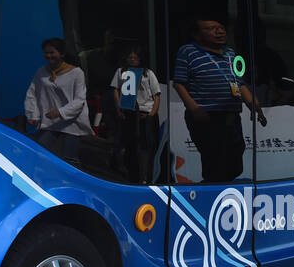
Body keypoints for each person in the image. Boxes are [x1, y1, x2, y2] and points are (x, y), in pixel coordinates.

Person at [173, 14, 267, 183]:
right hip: (206, 115)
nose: (219, 31)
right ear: (196, 34)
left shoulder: (230, 53)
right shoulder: (188, 51)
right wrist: (194, 108)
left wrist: (253, 103)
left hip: (231, 116)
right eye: (210, 29)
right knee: (214, 160)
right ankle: (212, 192)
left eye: (221, 28)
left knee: (235, 157)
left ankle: (221, 186)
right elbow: (179, 83)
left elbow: (238, 82)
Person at [25, 38, 93, 160]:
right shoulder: (42, 72)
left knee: (69, 160)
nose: (48, 56)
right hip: (51, 122)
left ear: (61, 54)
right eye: (46, 53)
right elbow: (32, 93)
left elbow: (79, 100)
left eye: (52, 53)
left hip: (72, 123)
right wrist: (33, 114)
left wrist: (60, 112)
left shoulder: (76, 73)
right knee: (39, 152)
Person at [109, 47, 161, 182]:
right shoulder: (122, 71)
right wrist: (118, 108)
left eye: (135, 58)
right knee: (129, 145)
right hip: (128, 113)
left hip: (145, 113)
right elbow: (115, 89)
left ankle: (146, 176)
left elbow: (156, 94)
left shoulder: (148, 73)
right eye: (130, 58)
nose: (132, 60)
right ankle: (131, 175)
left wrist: (151, 114)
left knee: (146, 146)